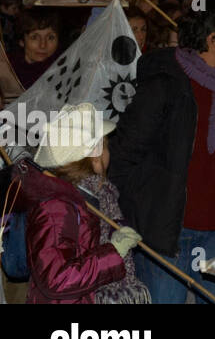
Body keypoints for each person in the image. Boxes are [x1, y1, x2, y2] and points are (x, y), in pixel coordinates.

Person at [107, 0, 215, 304]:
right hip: (168, 230)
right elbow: (125, 156)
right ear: (212, 39)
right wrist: (139, 216)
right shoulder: (166, 83)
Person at [17, 103, 148, 304]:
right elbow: (56, 279)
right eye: (106, 145)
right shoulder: (56, 206)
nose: (108, 153)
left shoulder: (95, 196)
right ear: (95, 154)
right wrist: (112, 252)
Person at [7, 8, 61, 89]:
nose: (43, 45)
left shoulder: (63, 68)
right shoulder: (8, 67)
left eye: (50, 37)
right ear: (22, 41)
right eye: (34, 37)